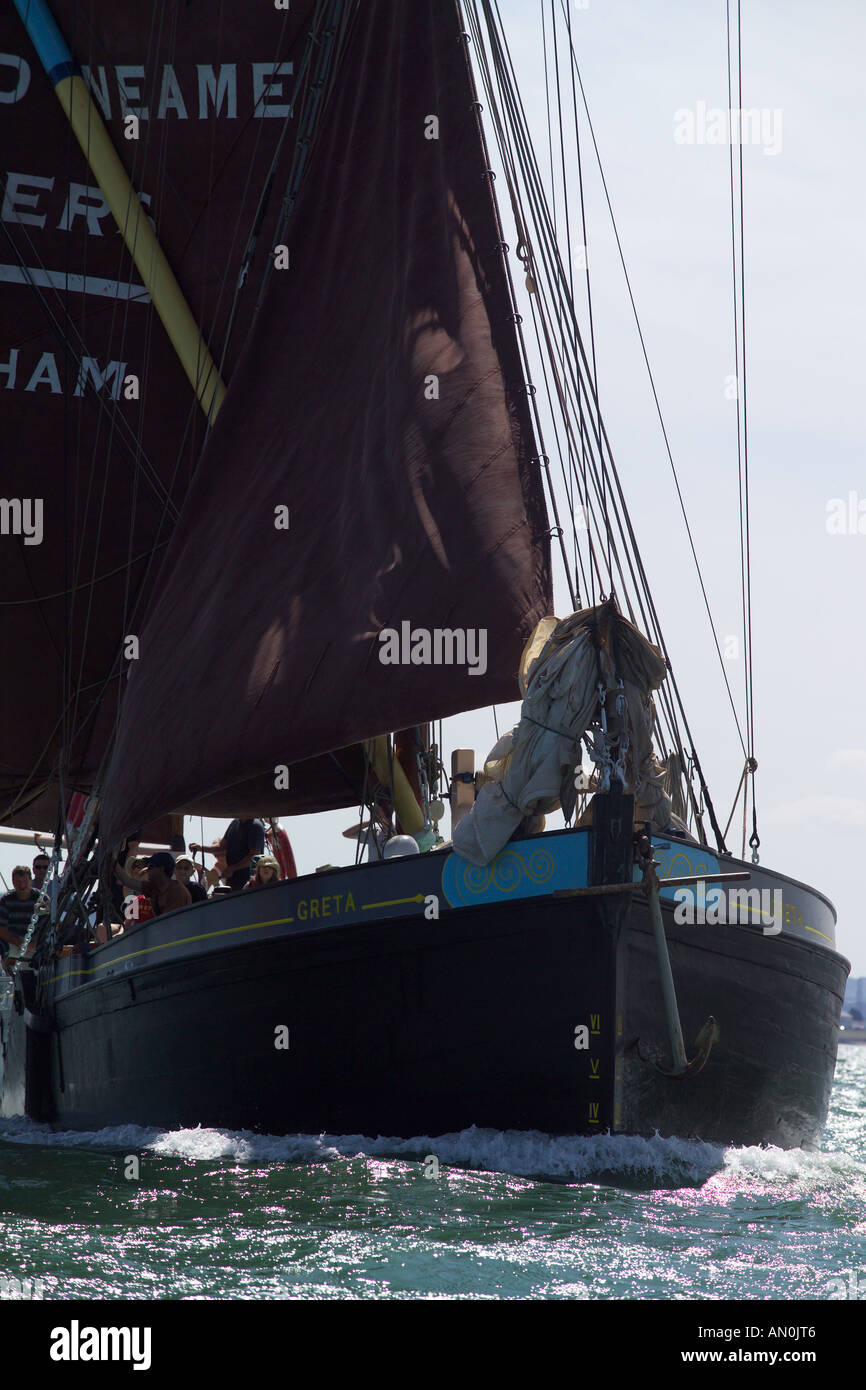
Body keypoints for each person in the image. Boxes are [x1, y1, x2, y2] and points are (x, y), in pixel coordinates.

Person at [190, 818, 265, 892]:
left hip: (250, 883)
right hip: (233, 882)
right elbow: (221, 846)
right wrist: (200, 848)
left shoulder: (255, 826)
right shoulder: (234, 823)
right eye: (216, 855)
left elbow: (254, 856)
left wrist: (232, 868)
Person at [0, 866, 40, 970]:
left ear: (31, 881)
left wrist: (32, 945)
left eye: (25, 881)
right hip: (13, 943)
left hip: (36, 945)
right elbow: (1, 928)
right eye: (18, 881)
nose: (22, 885)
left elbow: (48, 926)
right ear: (13, 882)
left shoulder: (41, 899)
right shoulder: (6, 900)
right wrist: (18, 942)